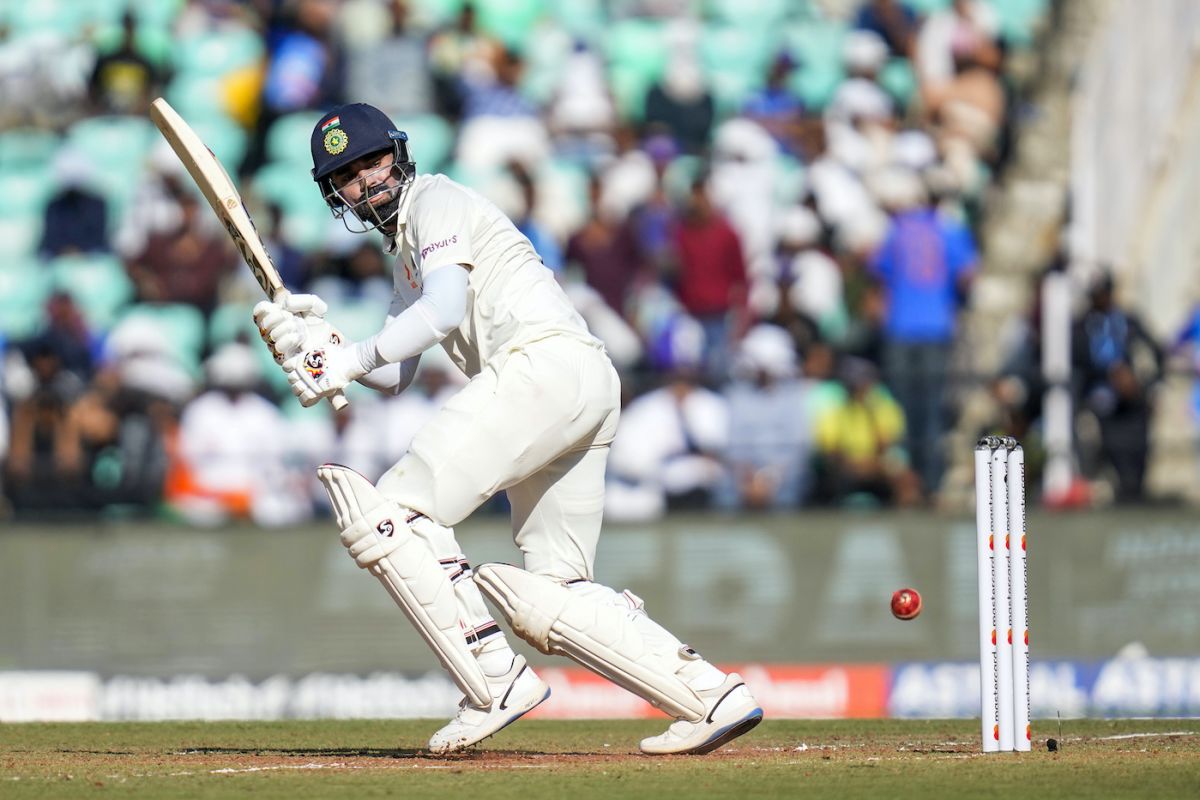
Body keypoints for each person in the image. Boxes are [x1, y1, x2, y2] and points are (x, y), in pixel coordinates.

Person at [251, 103, 762, 755]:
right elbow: (397, 372)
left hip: (539, 369)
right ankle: (709, 695)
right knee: (552, 592)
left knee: (392, 512)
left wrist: (348, 360)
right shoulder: (405, 250)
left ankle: (493, 680)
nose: (366, 181)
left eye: (372, 161)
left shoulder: (435, 201)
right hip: (578, 382)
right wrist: (318, 343)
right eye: (347, 176)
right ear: (334, 194)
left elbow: (442, 312)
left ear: (399, 155)